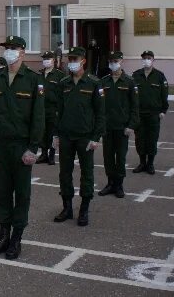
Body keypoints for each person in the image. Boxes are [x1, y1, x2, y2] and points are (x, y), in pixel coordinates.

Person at [0, 36, 44, 260]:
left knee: (22, 194)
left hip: (21, 147)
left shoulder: (33, 80)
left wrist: (33, 148)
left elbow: (38, 118)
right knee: (2, 193)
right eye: (7, 48)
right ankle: (3, 235)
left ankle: (16, 238)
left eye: (13, 48)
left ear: (23, 53)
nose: (9, 51)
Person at [53, 47, 105, 227]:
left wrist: (96, 137)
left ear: (83, 60)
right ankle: (67, 207)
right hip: (66, 136)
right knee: (64, 173)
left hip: (85, 136)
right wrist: (56, 134)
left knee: (87, 173)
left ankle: (84, 208)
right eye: (70, 58)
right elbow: (58, 111)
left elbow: (100, 113)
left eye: (75, 59)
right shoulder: (64, 83)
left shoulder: (93, 83)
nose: (71, 62)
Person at [99, 51, 139, 198]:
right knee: (108, 157)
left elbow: (135, 107)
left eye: (115, 61)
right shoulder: (103, 81)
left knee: (120, 158)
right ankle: (110, 184)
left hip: (122, 128)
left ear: (121, 61)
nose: (113, 64)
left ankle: (119, 185)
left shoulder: (129, 81)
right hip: (107, 127)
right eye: (110, 61)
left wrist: (131, 125)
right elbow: (99, 106)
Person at [132, 50, 169, 175]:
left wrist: (163, 110)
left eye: (149, 58)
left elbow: (164, 94)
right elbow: (131, 95)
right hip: (139, 114)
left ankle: (150, 164)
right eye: (144, 58)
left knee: (152, 139)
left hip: (154, 114)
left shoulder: (159, 76)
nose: (146, 60)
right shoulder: (135, 75)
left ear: (153, 60)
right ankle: (142, 163)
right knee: (140, 139)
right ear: (142, 60)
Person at [37, 51, 67, 165]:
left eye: (48, 58)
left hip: (53, 109)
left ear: (54, 60)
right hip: (41, 107)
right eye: (44, 58)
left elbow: (63, 94)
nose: (46, 60)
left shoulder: (59, 75)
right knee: (42, 131)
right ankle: (43, 153)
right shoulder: (39, 75)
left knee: (53, 132)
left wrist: (60, 110)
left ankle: (51, 154)